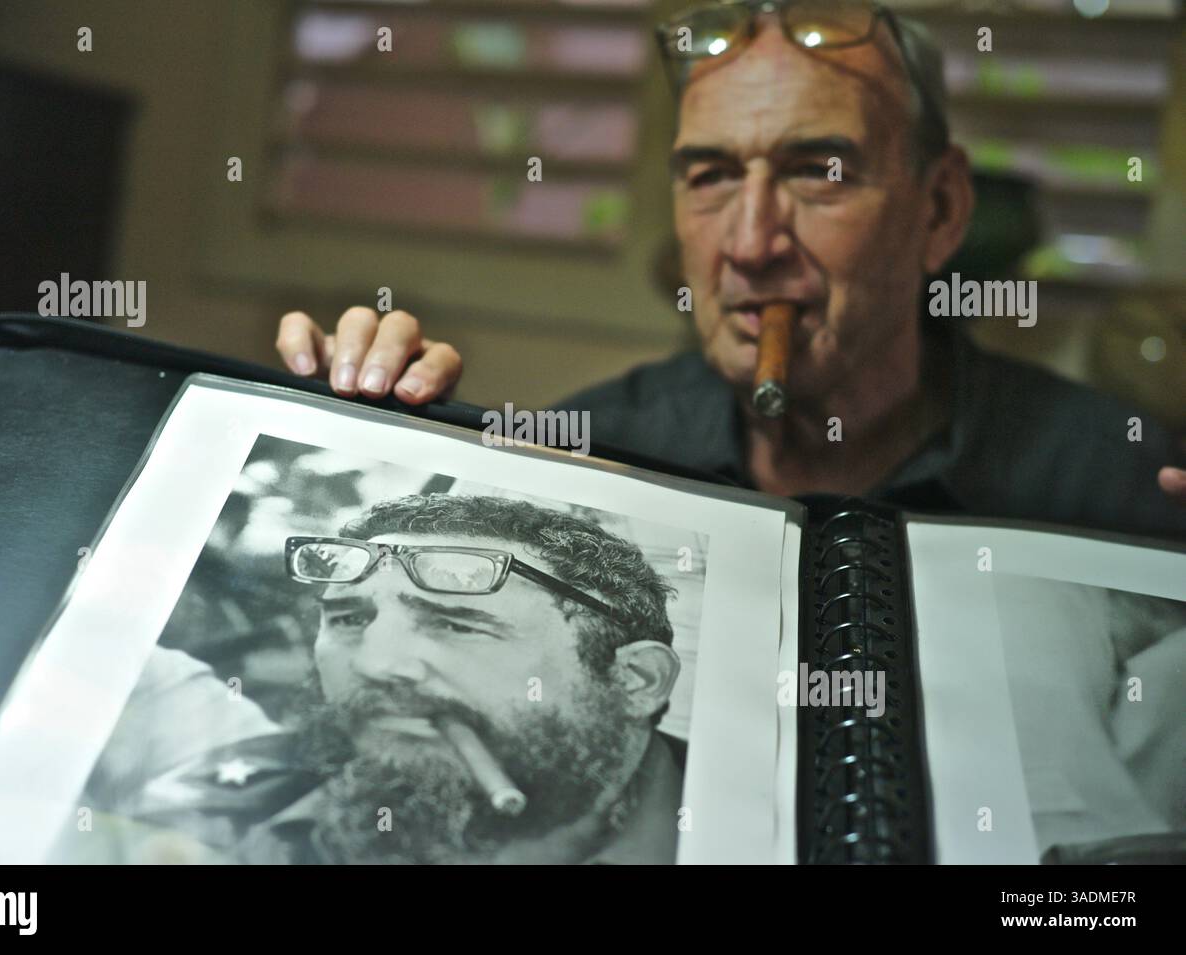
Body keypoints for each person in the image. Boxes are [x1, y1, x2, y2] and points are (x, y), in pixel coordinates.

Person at [272, 1, 1186, 538]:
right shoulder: (581, 458)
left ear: (940, 211)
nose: (749, 243)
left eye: (816, 173)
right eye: (710, 175)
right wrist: (377, 456)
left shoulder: (1121, 487)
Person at [69, 494, 686, 865]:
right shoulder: (245, 795)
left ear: (636, 680)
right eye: (348, 617)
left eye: (456, 624)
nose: (373, 663)